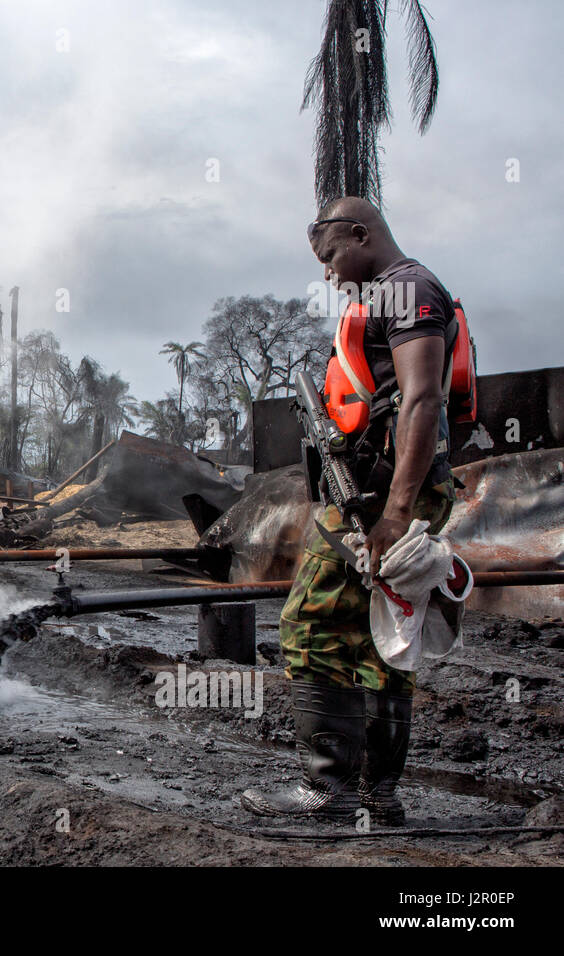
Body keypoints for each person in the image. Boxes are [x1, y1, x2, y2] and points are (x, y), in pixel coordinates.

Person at [241, 197, 458, 824]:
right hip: (383, 492)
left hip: (383, 498)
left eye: (332, 255)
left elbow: (420, 402)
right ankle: (376, 795)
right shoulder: (394, 294)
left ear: (361, 234)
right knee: (383, 633)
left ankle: (326, 790)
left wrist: (393, 514)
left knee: (309, 621)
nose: (329, 273)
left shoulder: (410, 289)